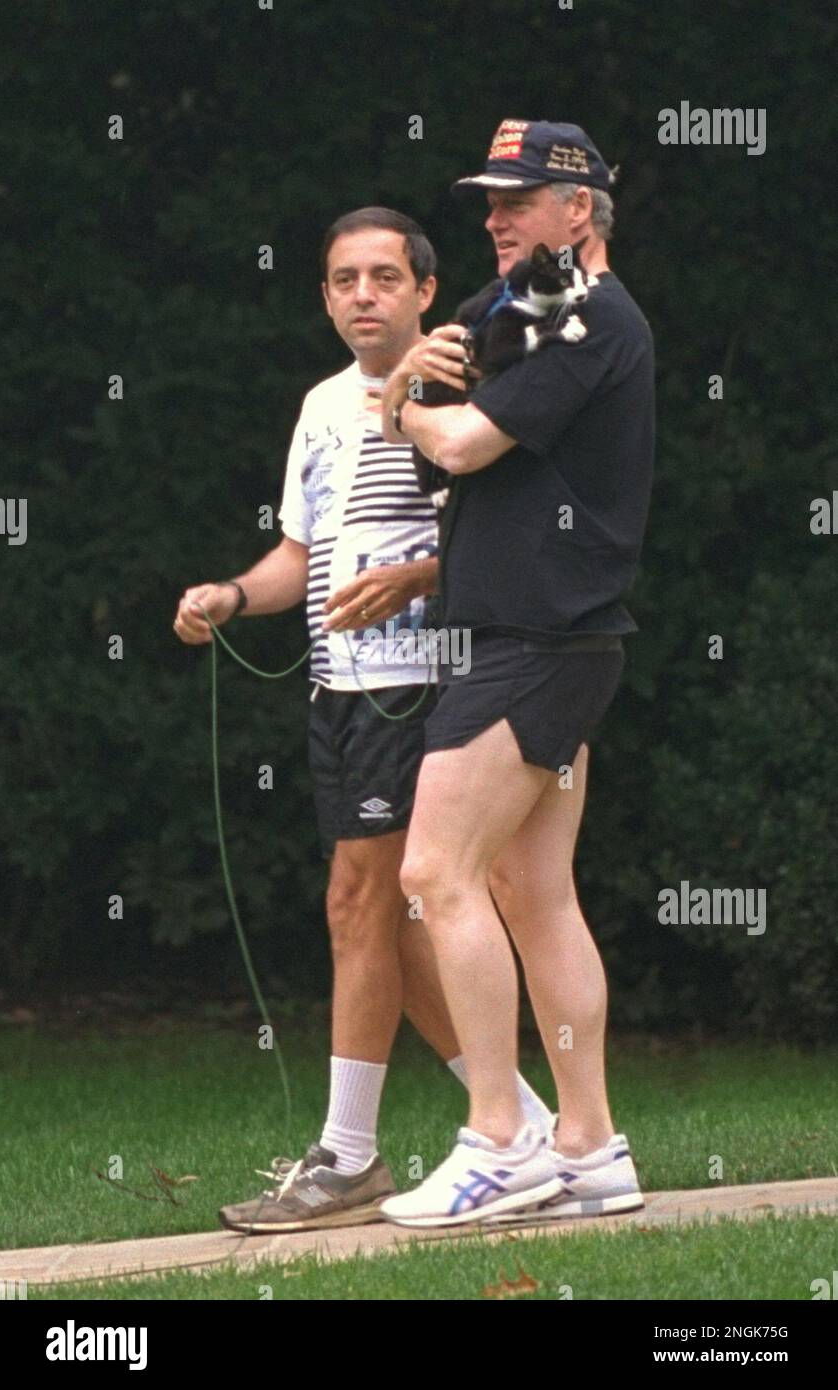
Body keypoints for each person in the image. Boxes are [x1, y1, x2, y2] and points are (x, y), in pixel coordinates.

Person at [173, 206, 553, 1232]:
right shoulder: (319, 405)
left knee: (367, 901)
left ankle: (351, 1154)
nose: (362, 296)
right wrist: (229, 594)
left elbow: (506, 531)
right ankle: (524, 1125)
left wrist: (420, 576)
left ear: (426, 291)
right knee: (384, 915)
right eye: (343, 279)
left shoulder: (459, 388)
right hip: (336, 687)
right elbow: (300, 554)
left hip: (426, 679)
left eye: (384, 277)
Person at [377, 122, 655, 1227]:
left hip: (537, 640)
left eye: (519, 198)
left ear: (576, 210)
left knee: (434, 870)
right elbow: (443, 415)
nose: (492, 216)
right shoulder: (530, 307)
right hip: (545, 637)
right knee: (531, 893)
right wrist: (419, 379)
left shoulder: (585, 314)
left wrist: (400, 396)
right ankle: (589, 1147)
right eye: (488, 199)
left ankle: (499, 1135)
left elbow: (458, 447)